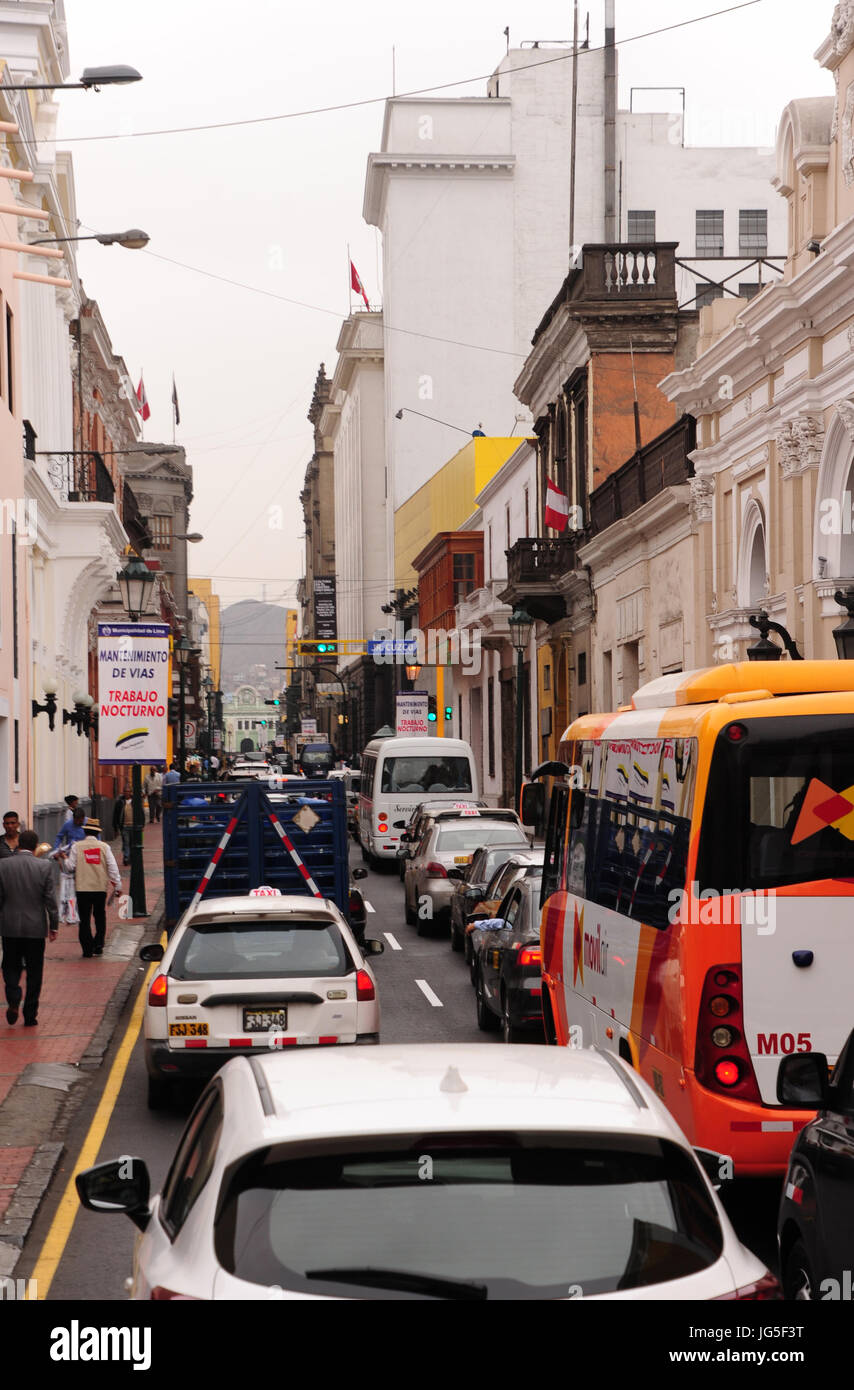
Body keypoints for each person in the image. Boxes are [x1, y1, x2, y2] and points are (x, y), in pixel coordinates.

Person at [0, 829, 59, 1026]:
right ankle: (30, 1013)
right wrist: (54, 924)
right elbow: (50, 899)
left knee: (10, 965)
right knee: (35, 971)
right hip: (35, 927)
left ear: (18, 845)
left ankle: (14, 996)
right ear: (35, 846)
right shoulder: (44, 866)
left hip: (10, 926)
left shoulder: (3, 865)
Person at [63, 819, 121, 958]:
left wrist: (64, 858)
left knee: (84, 919)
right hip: (100, 887)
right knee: (100, 916)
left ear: (85, 831)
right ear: (97, 832)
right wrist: (117, 885)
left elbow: (70, 866)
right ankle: (99, 944)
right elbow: (112, 868)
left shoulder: (77, 846)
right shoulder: (104, 847)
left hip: (82, 888)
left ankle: (87, 949)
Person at [50, 807, 87, 924]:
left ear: (83, 818)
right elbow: (59, 836)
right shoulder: (68, 825)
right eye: (76, 820)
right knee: (70, 882)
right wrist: (56, 849)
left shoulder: (88, 824)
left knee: (81, 881)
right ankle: (71, 910)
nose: (78, 823)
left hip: (84, 857)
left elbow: (96, 837)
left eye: (80, 821)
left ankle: (80, 904)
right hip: (70, 856)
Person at [111, 788, 133, 866]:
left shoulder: (135, 801)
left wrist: (142, 824)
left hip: (133, 826)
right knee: (126, 842)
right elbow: (115, 815)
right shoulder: (120, 802)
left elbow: (140, 813)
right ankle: (126, 857)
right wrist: (115, 827)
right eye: (125, 791)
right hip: (124, 826)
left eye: (128, 791)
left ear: (131, 792)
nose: (127, 793)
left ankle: (131, 857)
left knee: (132, 843)